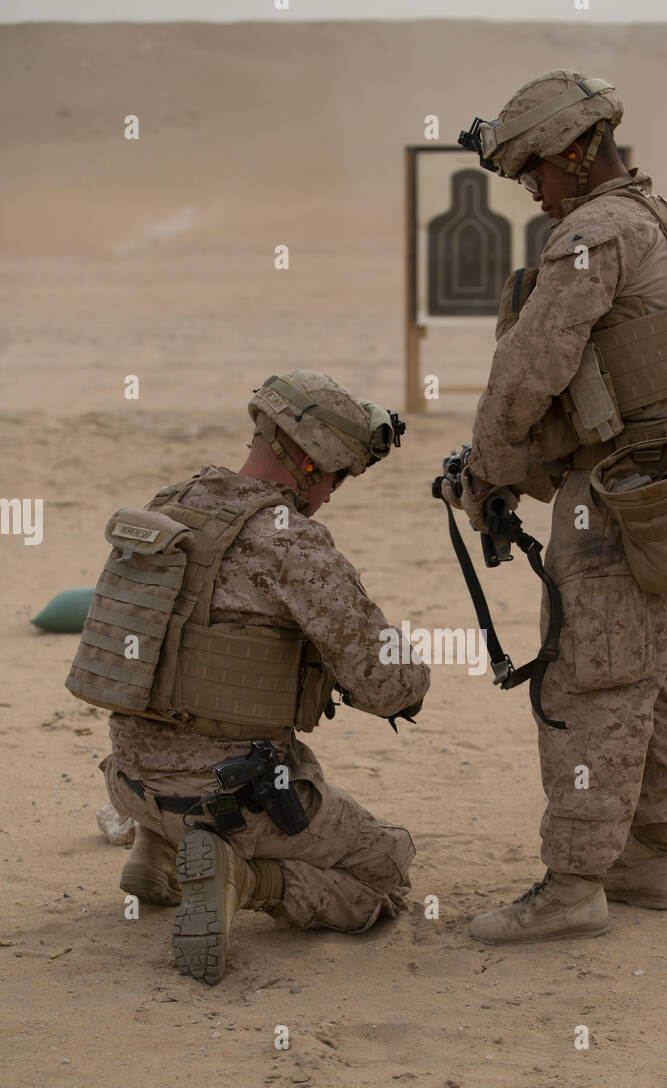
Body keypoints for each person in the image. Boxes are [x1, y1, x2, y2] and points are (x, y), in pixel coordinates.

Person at [447, 71, 667, 945]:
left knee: (595, 674)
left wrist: (485, 473)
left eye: (536, 170)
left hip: (618, 496)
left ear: (577, 152)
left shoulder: (594, 233)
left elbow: (529, 368)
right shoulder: (664, 221)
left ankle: (575, 885)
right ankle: (646, 856)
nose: (533, 191)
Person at [66, 371, 429, 984]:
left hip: (129, 783)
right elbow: (391, 686)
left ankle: (158, 849)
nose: (334, 494)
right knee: (387, 867)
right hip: (233, 800)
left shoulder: (166, 506)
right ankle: (246, 879)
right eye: (338, 476)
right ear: (314, 462)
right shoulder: (296, 545)